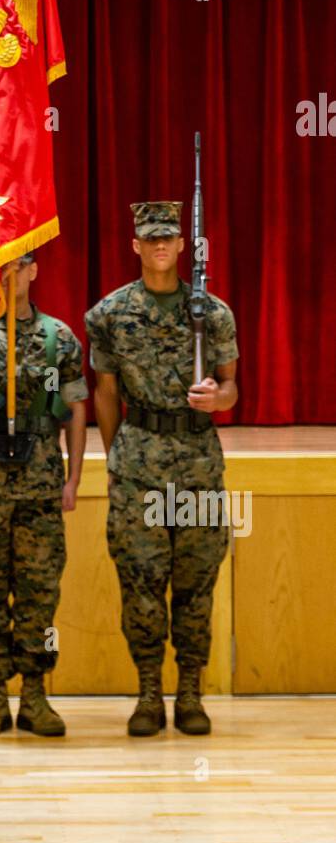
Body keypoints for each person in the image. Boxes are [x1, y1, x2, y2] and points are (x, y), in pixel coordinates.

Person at [84, 202, 238, 736]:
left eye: (168, 239)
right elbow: (104, 393)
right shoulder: (109, 314)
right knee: (141, 581)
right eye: (149, 239)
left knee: (197, 583)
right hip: (139, 461)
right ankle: (149, 690)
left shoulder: (211, 313)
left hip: (197, 460)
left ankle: (191, 691)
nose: (159, 248)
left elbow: (232, 387)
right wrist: (115, 457)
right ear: (135, 245)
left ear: (181, 245)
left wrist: (217, 398)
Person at [0, 252, 87, 737]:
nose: (11, 274)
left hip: (39, 485)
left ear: (35, 270)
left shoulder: (60, 338)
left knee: (40, 592)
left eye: (23, 264)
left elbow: (74, 409)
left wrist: (73, 479)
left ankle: (34, 693)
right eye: (4, 265)